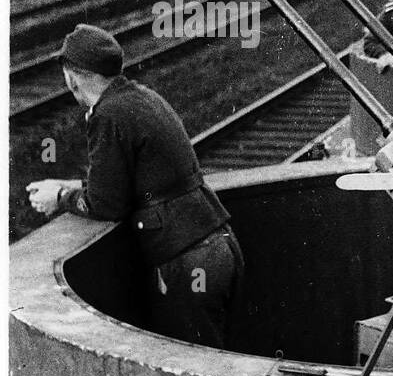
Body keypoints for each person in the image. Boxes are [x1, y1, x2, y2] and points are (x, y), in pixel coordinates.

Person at [26, 25, 243, 349]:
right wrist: (74, 185)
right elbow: (128, 179)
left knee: (193, 369)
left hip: (188, 262)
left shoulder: (108, 115)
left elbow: (107, 204)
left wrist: (59, 197)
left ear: (72, 76)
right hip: (217, 247)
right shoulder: (138, 97)